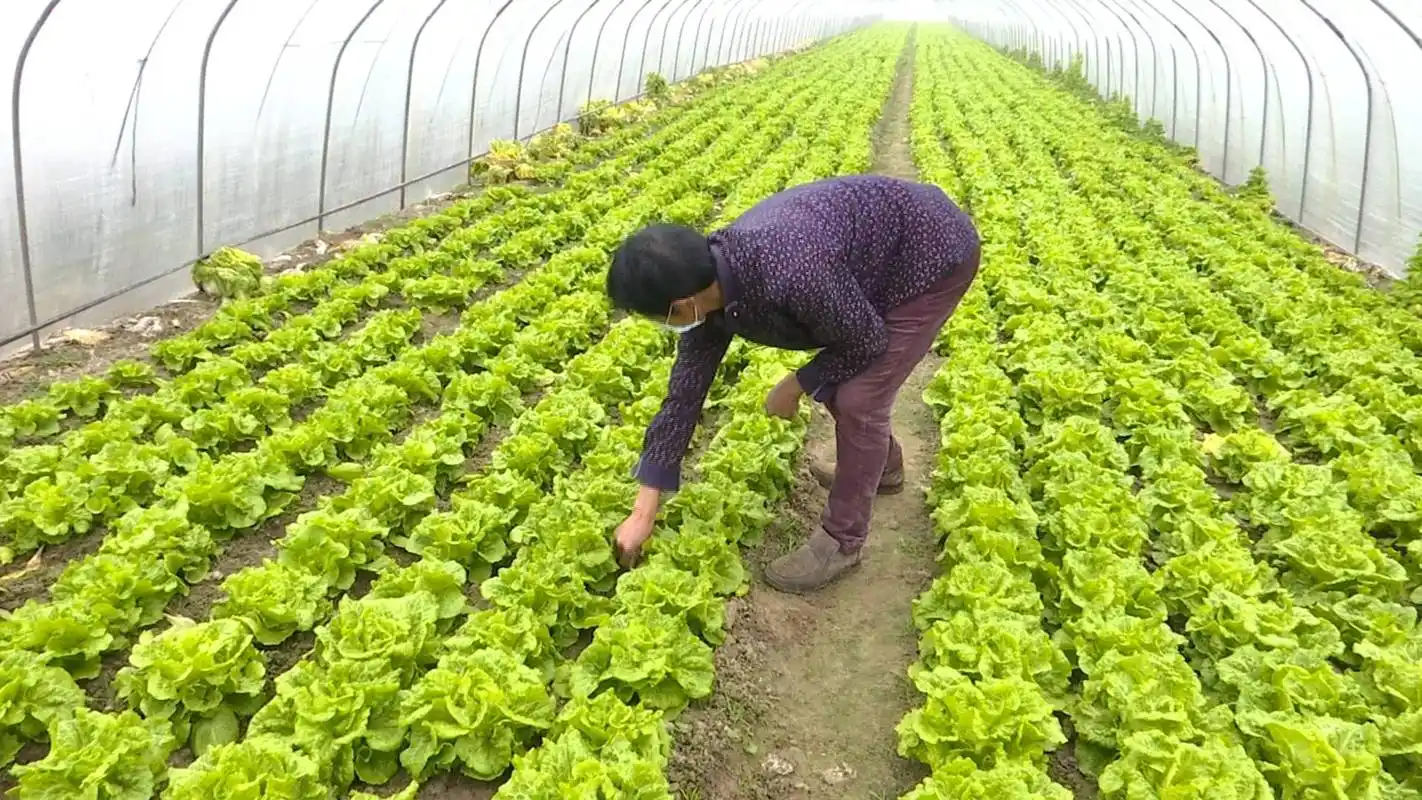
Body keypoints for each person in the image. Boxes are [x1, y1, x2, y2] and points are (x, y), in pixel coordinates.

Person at [605, 174, 982, 594]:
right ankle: (884, 469)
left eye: (657, 317)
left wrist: (796, 384)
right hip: (875, 253)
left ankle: (841, 541)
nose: (663, 325)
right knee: (846, 382)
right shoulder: (708, 294)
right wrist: (644, 509)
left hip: (932, 254)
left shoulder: (789, 268)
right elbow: (683, 398)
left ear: (680, 305)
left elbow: (866, 339)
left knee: (858, 398)